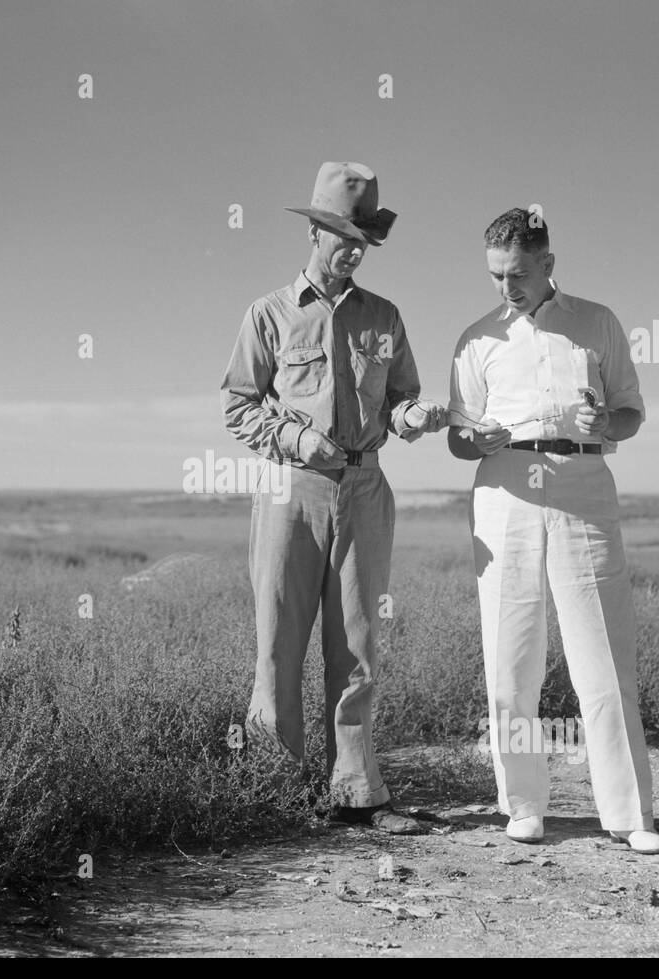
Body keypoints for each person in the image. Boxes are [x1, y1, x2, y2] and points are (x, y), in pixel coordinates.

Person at [220, 162, 446, 834]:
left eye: (363, 240)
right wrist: (294, 438)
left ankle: (355, 796)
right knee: (278, 640)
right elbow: (238, 405)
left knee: (357, 644)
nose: (353, 249)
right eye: (343, 235)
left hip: (366, 486)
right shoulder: (269, 313)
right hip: (291, 490)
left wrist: (413, 419)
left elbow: (401, 403)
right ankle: (277, 797)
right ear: (316, 230)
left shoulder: (386, 317)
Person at [446, 207, 659, 854]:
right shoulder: (475, 339)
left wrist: (608, 427)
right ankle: (523, 806)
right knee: (509, 655)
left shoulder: (597, 323)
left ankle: (631, 816)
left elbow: (630, 412)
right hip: (505, 489)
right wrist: (474, 438)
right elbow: (460, 440)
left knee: (603, 655)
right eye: (495, 276)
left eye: (516, 273)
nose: (505, 288)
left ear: (547, 264)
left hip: (583, 486)